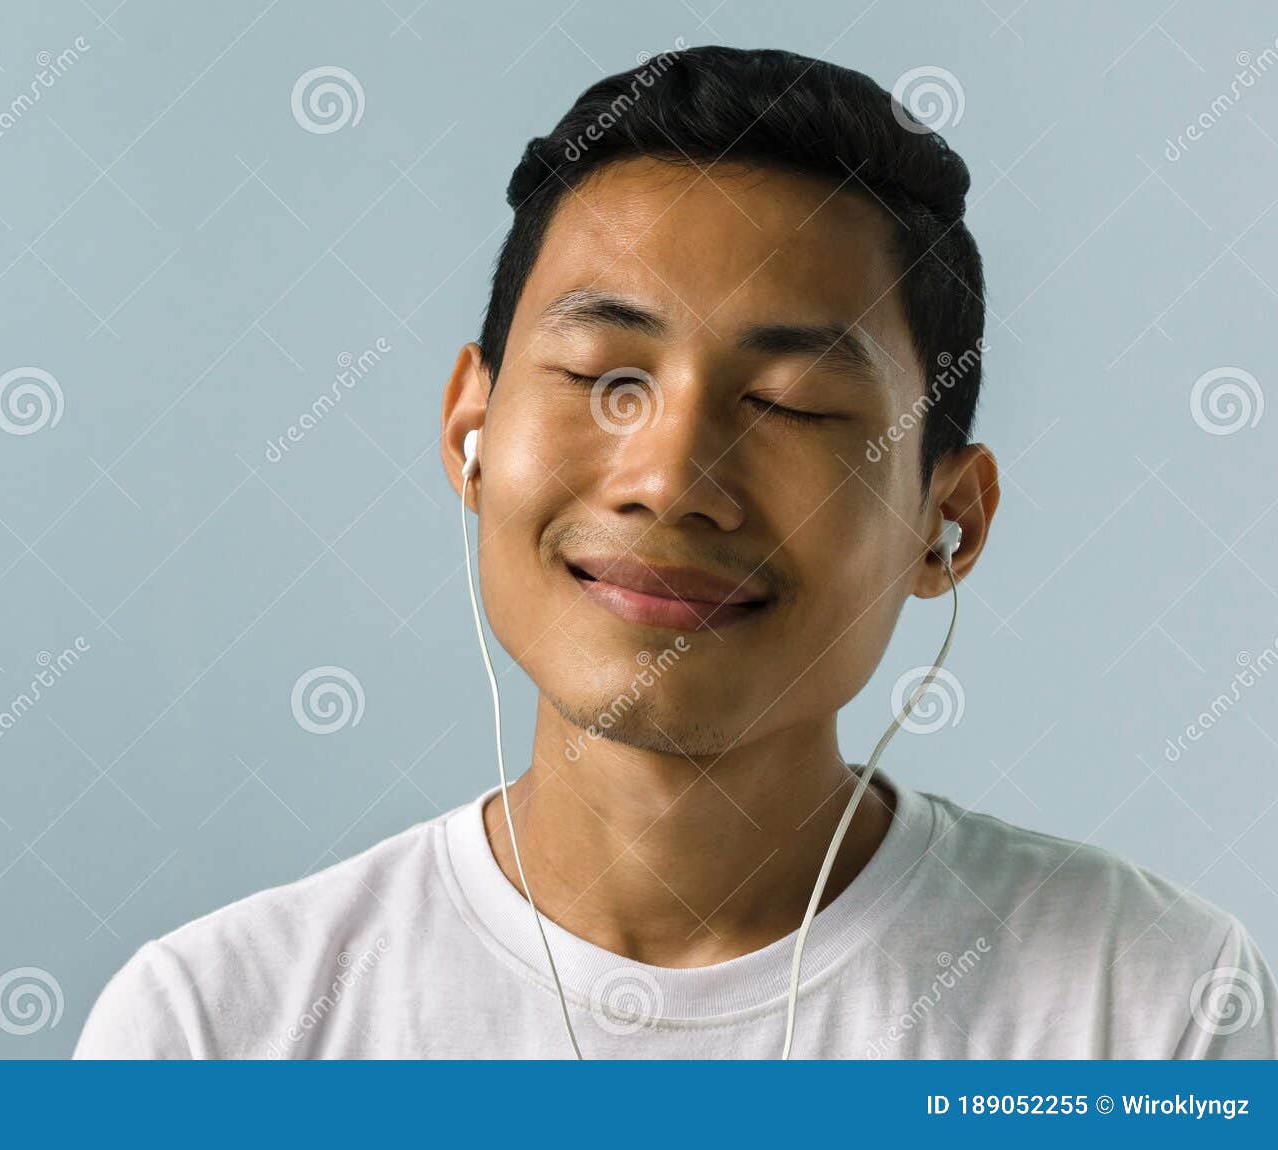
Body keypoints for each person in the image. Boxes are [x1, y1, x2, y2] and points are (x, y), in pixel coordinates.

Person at [74, 45, 1277, 1059]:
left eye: (797, 402)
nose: (670, 481)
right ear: (471, 433)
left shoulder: (1147, 1009)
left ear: (946, 521)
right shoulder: (216, 1031)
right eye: (604, 380)